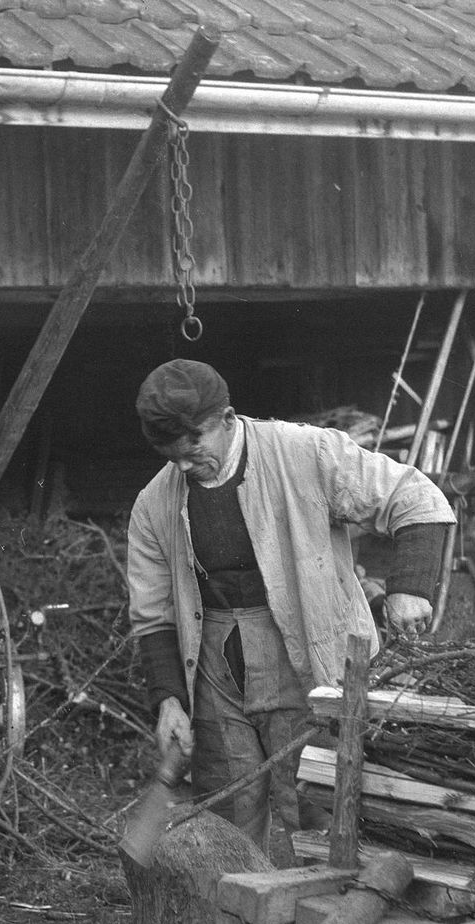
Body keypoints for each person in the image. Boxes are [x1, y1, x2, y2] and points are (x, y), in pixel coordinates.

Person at [127, 359, 455, 858]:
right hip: (215, 675)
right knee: (226, 820)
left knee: (321, 808)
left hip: (310, 661)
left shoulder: (305, 453)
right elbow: (154, 617)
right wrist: (169, 700)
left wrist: (410, 586)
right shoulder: (154, 504)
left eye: (194, 447)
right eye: (173, 457)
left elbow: (415, 497)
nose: (185, 465)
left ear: (228, 418)